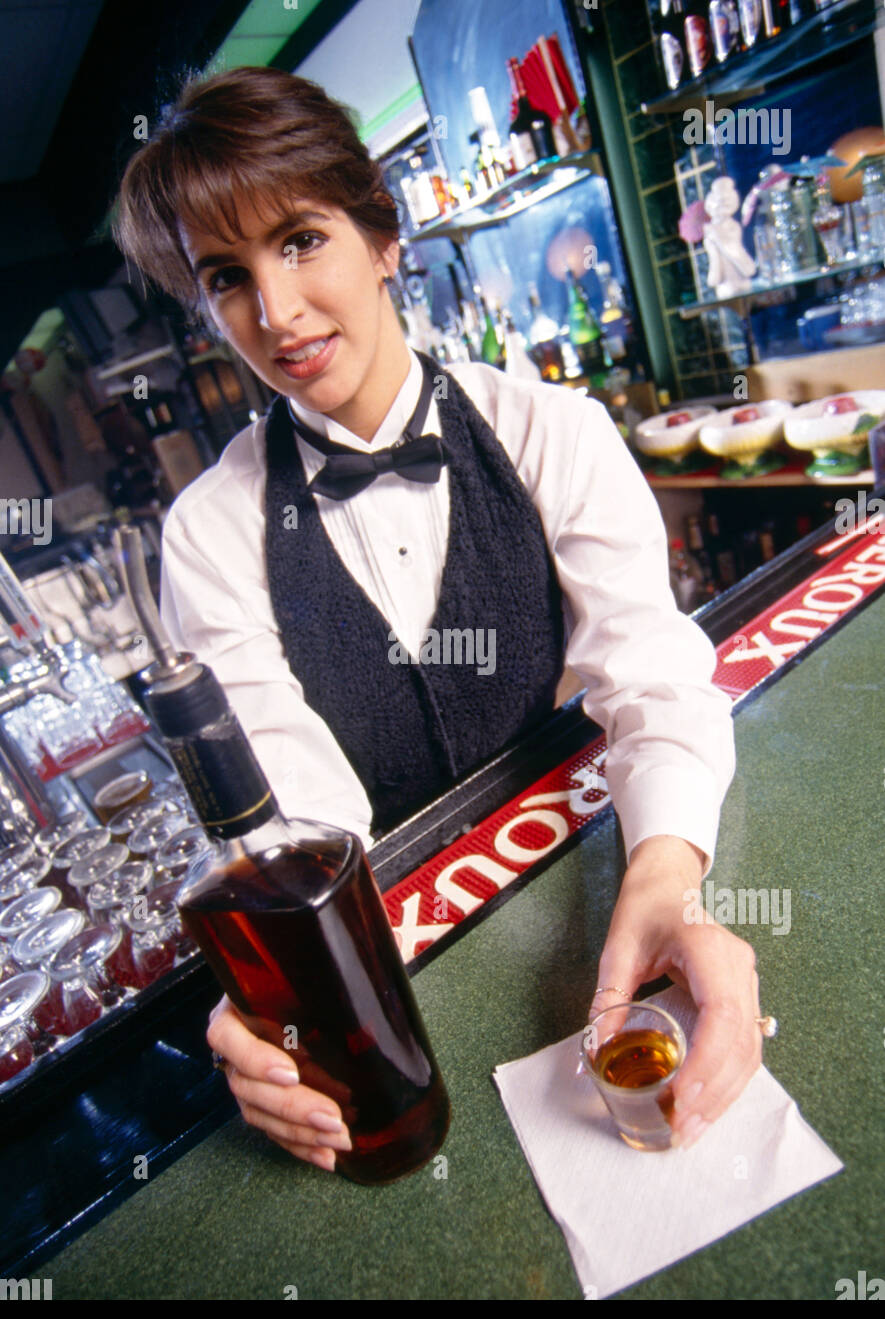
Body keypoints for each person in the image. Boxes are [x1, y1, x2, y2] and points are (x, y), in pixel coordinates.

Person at [112, 66, 762, 1175]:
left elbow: (653, 676)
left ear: (382, 235)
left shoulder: (552, 428)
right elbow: (295, 819)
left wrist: (664, 873)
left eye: (301, 241)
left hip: (581, 870)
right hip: (395, 957)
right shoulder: (210, 533)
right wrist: (281, 995)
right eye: (228, 277)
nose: (275, 314)